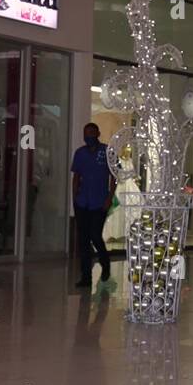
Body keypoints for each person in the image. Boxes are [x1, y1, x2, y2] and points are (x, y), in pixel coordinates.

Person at [71, 123, 116, 288]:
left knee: (95, 235)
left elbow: (114, 176)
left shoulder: (107, 152)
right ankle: (86, 278)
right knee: (83, 241)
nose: (88, 136)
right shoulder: (80, 153)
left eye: (91, 133)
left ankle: (105, 263)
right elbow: (76, 176)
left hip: (100, 202)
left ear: (98, 133)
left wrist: (109, 198)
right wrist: (74, 198)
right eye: (85, 133)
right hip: (83, 202)